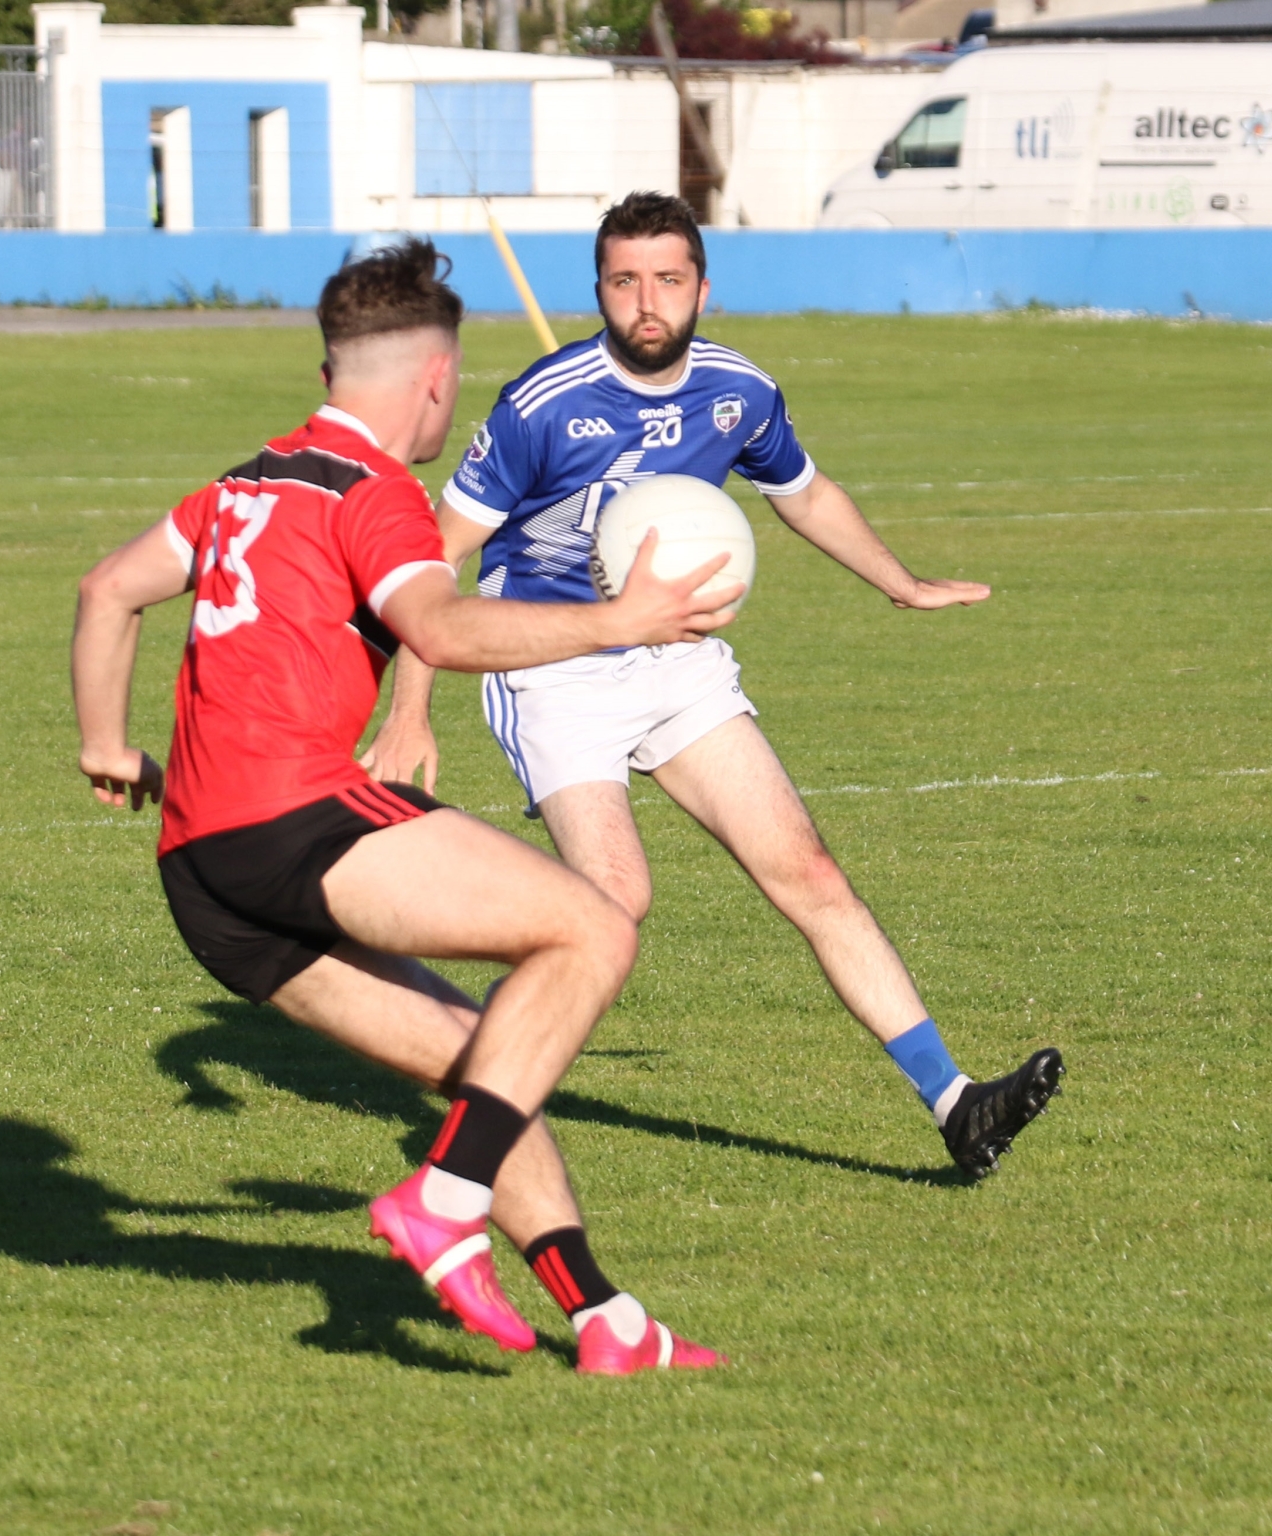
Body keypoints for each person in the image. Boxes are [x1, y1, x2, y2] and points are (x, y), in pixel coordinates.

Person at [70, 239, 734, 1375]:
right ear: (434, 380)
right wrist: (616, 622)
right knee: (591, 926)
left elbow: (107, 591)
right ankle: (440, 1203)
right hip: (294, 823)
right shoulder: (379, 495)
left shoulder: (242, 483)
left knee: (493, 1056)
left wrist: (105, 746)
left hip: (201, 873)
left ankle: (604, 1321)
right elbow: (441, 629)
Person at [365, 193, 1063, 1178]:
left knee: (809, 873)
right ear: (599, 290)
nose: (647, 303)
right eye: (624, 282)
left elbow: (804, 491)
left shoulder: (739, 392)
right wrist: (409, 712)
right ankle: (467, 1077)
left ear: (702, 288)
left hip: (677, 658)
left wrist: (898, 581)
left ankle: (957, 1105)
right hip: (551, 663)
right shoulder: (540, 404)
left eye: (668, 280)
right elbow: (430, 563)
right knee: (613, 900)